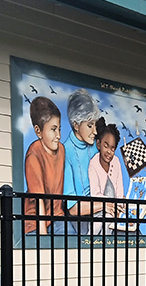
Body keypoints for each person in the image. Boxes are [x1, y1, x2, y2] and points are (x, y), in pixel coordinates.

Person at [24, 96, 71, 235]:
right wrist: (43, 238)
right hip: (35, 223)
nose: (58, 135)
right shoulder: (33, 156)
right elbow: (39, 202)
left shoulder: (61, 150)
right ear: (38, 131)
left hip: (57, 217)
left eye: (59, 129)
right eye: (53, 129)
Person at [63, 88, 99, 233]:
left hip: (102, 211)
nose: (95, 131)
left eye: (95, 125)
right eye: (90, 126)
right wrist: (106, 204)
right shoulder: (66, 152)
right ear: (76, 125)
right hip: (81, 221)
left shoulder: (95, 147)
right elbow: (73, 209)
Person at [88, 117, 127, 232]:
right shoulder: (93, 165)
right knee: (97, 225)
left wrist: (119, 205)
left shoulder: (116, 161)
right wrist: (111, 204)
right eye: (106, 146)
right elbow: (95, 194)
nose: (109, 152)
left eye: (112, 148)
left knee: (111, 222)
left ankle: (107, 246)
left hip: (114, 208)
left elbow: (119, 187)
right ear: (98, 144)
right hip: (100, 206)